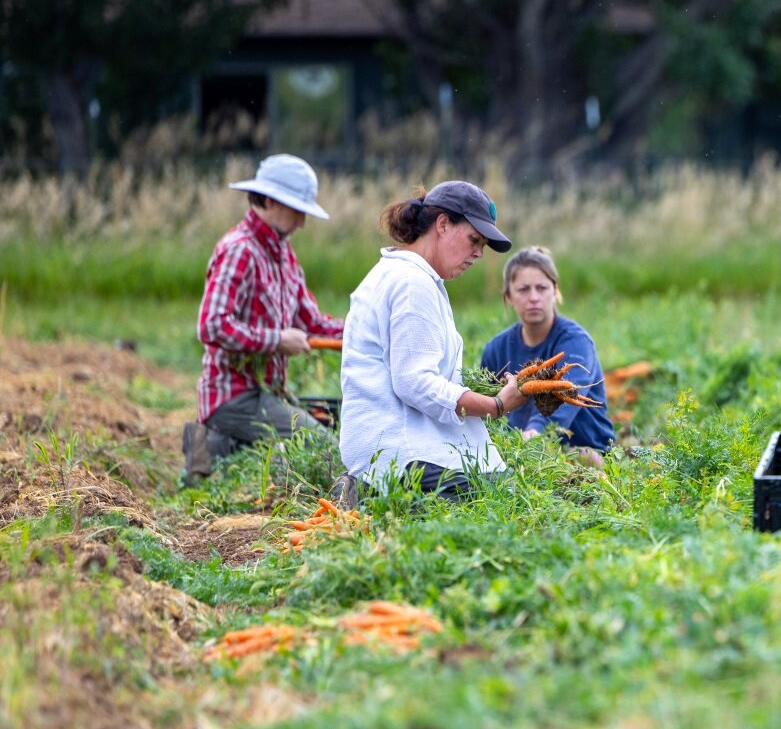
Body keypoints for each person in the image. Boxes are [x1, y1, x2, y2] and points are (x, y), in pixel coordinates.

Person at [339, 181, 529, 499]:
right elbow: (415, 382)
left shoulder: (402, 274)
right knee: (502, 496)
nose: (478, 253)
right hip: (401, 452)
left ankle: (368, 489)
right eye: (474, 240)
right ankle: (370, 494)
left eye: (482, 245)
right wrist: (495, 405)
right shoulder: (412, 283)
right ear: (442, 224)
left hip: (387, 447)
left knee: (501, 484)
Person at [184, 154, 345, 484]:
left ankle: (213, 447)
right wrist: (278, 341)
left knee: (322, 426)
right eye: (297, 210)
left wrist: (365, 332)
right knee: (323, 448)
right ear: (269, 201)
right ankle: (215, 443)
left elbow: (312, 323)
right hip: (234, 395)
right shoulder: (239, 250)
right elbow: (212, 325)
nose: (302, 222)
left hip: (266, 391)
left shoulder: (283, 255)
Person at [479, 246, 613, 466]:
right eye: (523, 289)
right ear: (509, 296)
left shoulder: (576, 342)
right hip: (518, 452)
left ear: (555, 291)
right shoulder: (495, 350)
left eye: (541, 288)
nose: (534, 297)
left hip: (579, 447)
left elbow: (565, 398)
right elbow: (486, 410)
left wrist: (536, 432)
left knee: (588, 459)